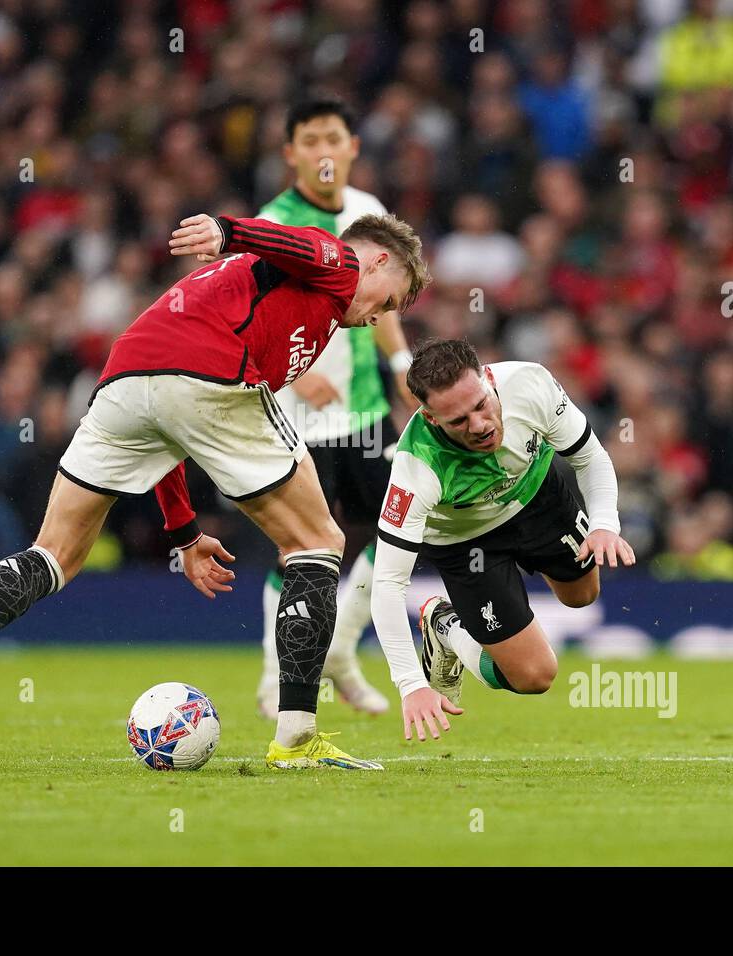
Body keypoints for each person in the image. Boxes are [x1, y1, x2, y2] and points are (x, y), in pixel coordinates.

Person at [0, 210, 430, 771]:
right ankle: (295, 741)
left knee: (54, 553)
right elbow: (302, 246)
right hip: (209, 373)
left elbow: (170, 430)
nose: (378, 317)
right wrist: (229, 230)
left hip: (126, 380)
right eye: (389, 300)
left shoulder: (289, 309)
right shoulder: (340, 259)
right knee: (318, 541)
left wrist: (183, 531)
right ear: (378, 261)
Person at [369, 339, 636, 742]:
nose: (479, 425)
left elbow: (589, 457)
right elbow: (387, 583)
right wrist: (411, 685)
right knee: (535, 677)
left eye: (481, 405)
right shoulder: (415, 469)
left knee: (582, 595)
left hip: (538, 497)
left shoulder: (529, 383)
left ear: (488, 378)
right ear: (430, 418)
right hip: (464, 540)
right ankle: (446, 627)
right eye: (458, 421)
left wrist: (603, 524)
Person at [255, 97, 418, 719]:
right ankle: (277, 676)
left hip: (365, 409)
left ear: (353, 146)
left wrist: (401, 362)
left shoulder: (369, 214)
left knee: (397, 531)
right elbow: (254, 312)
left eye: (334, 138)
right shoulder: (277, 221)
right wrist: (295, 379)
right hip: (298, 416)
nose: (324, 151)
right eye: (310, 140)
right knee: (301, 548)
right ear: (291, 153)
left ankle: (343, 651)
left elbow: (384, 302)